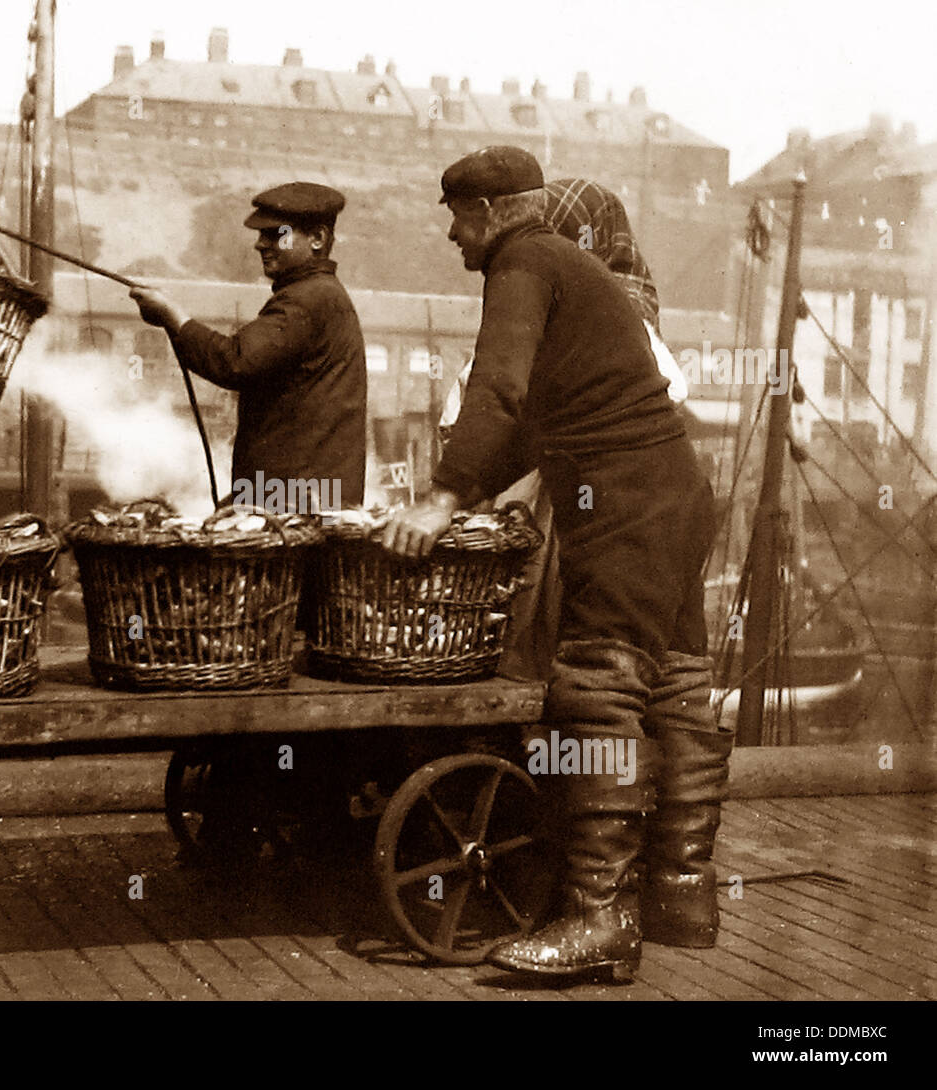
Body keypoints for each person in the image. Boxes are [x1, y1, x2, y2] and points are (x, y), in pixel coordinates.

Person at [382, 146, 730, 982]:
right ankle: (682, 893)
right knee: (678, 686)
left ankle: (598, 917)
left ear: (497, 211)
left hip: (621, 507)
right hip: (676, 493)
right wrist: (467, 492)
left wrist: (438, 497)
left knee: (596, 689)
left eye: (460, 218)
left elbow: (496, 393)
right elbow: (532, 429)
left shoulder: (523, 260)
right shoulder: (570, 265)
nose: (455, 238)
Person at [442, 175, 689, 681]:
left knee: (585, 669)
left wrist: (445, 495)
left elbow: (497, 394)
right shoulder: (568, 295)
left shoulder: (573, 293)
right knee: (665, 672)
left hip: (589, 507)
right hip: (626, 500)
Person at [128, 182, 367, 513]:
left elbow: (235, 362)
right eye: (260, 234)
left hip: (299, 508)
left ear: (317, 239)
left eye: (275, 234)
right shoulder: (318, 294)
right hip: (307, 500)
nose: (260, 244)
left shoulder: (307, 299)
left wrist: (173, 316)